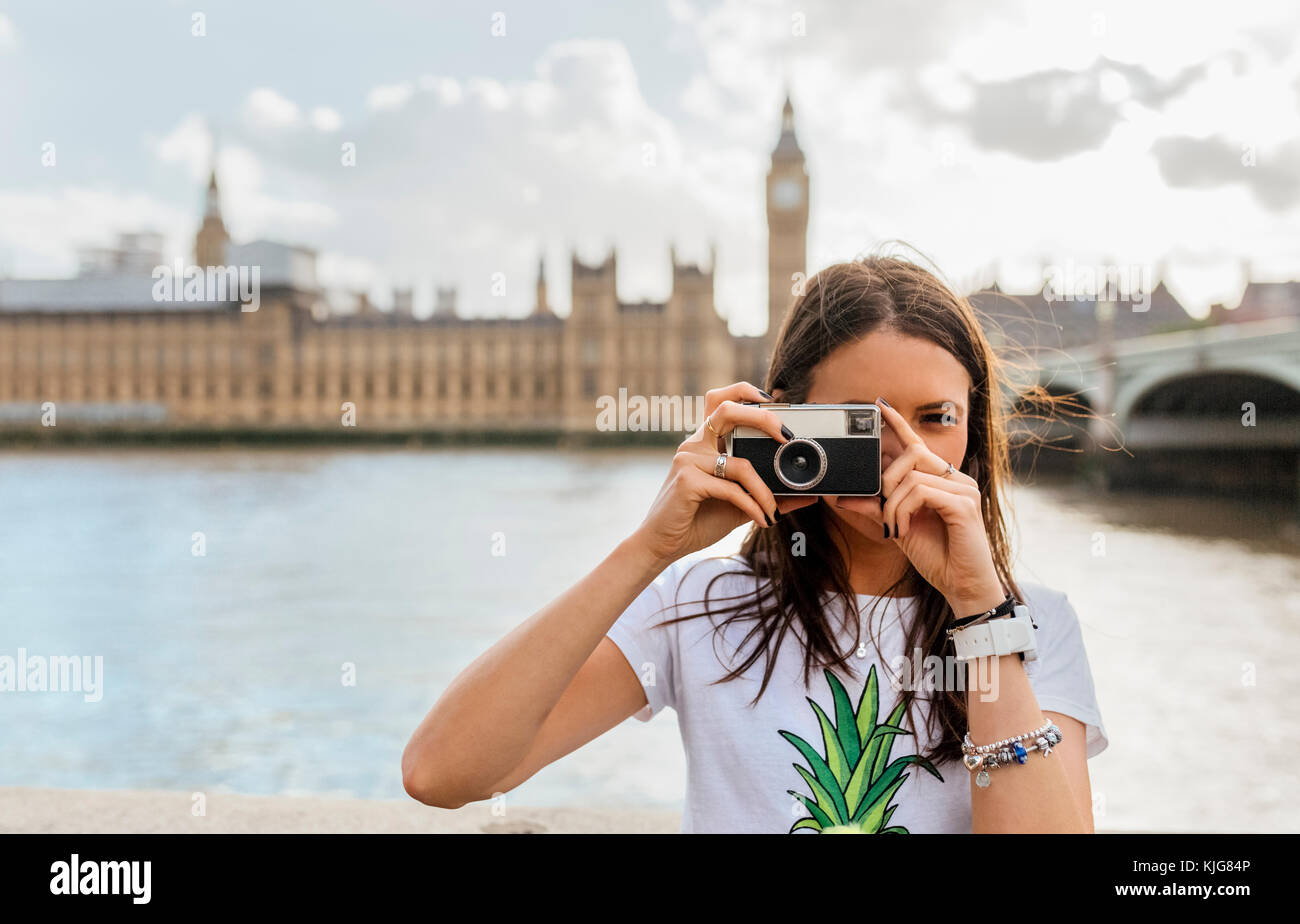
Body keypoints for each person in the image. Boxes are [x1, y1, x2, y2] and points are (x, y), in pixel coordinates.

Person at [402, 254, 1108, 833]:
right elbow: (442, 774)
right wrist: (651, 548)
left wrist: (979, 612)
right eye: (859, 422)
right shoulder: (701, 606)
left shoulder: (1034, 624)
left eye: (937, 417)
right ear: (787, 422)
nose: (902, 451)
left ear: (974, 429)